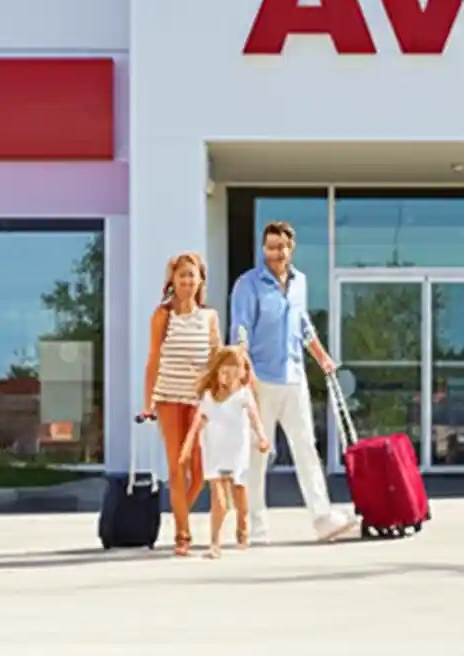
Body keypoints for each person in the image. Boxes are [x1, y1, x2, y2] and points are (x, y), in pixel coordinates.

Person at [230, 220, 358, 543]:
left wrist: (323, 357)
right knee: (259, 454)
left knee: (306, 448)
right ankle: (256, 526)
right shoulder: (248, 284)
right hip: (260, 380)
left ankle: (323, 517)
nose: (277, 253)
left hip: (294, 377)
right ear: (263, 248)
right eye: (271, 247)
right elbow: (240, 328)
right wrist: (242, 364)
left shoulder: (299, 282)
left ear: (291, 248)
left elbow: (303, 326)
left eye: (282, 247)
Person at [143, 251, 222, 557]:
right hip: (168, 398)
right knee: (178, 465)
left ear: (201, 280)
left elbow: (216, 359)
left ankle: (180, 515)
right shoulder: (163, 316)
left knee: (201, 469)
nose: (187, 281)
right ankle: (182, 534)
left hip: (199, 400)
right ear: (173, 281)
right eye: (182, 275)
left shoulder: (209, 317)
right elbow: (153, 360)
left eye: (192, 275)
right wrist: (147, 402)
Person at [180, 345, 271, 559]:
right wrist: (186, 448)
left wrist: (262, 437)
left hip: (236, 450)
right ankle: (215, 543)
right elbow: (198, 423)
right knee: (218, 496)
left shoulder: (243, 395)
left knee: (239, 490)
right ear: (217, 372)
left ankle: (243, 525)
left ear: (242, 373)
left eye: (233, 371)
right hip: (213, 450)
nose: (227, 377)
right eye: (223, 371)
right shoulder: (209, 397)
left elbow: (254, 418)